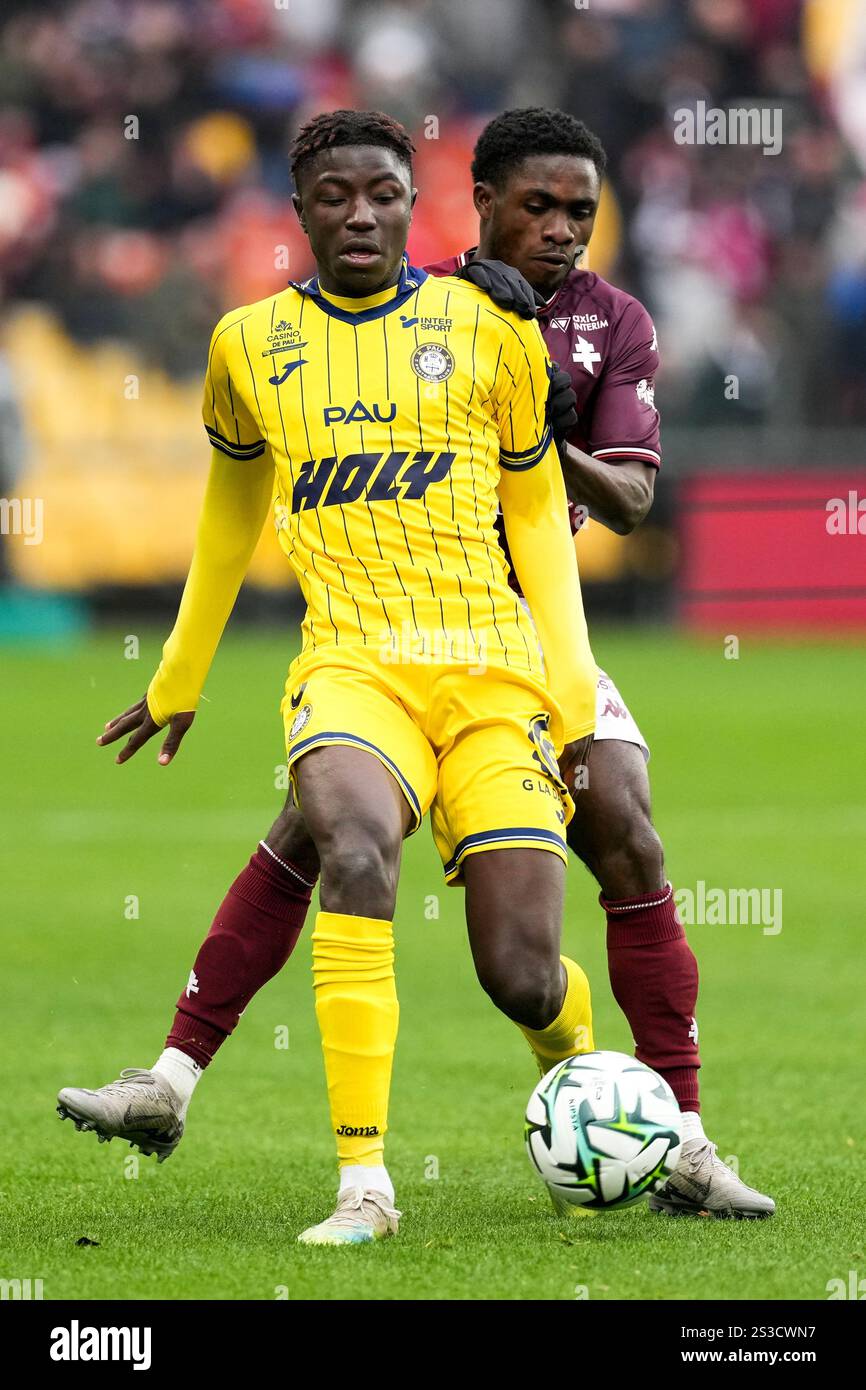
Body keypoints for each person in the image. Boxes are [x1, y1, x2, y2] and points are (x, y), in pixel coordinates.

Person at [58, 109, 599, 1245]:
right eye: (336, 196)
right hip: (349, 666)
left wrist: (572, 677)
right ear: (297, 210)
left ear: (416, 203)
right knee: (352, 847)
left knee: (521, 976)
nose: (361, 214)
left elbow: (537, 507)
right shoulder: (247, 346)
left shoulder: (489, 327)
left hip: (490, 671)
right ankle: (365, 1185)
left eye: (385, 194)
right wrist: (180, 670)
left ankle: (590, 1082)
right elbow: (232, 507)